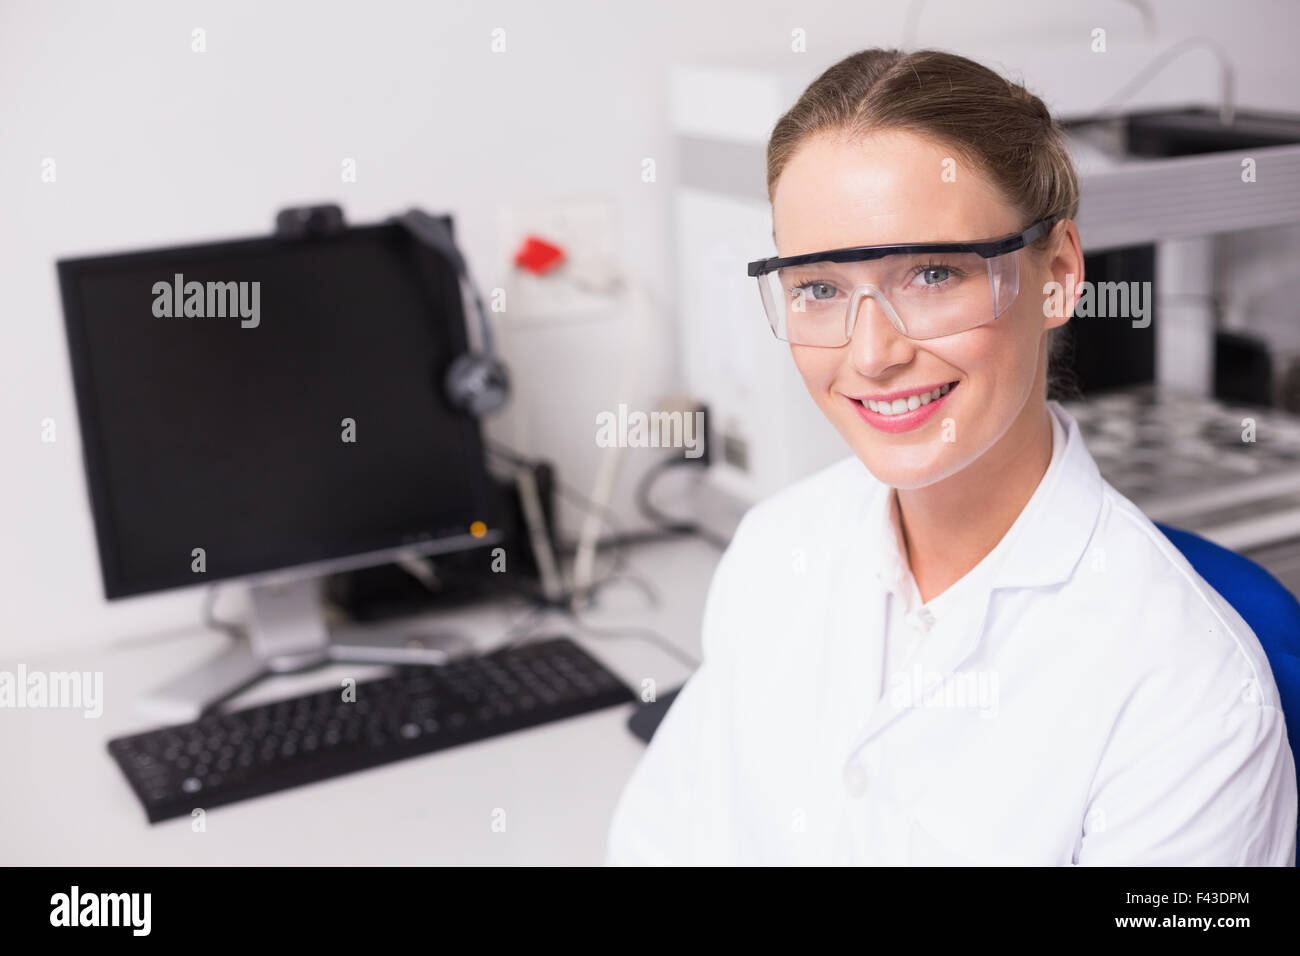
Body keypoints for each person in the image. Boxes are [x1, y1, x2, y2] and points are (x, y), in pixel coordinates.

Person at [606, 47, 1297, 865]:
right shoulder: (775, 550)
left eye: (932, 274)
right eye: (819, 288)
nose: (871, 354)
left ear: (1060, 274)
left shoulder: (1191, 693)